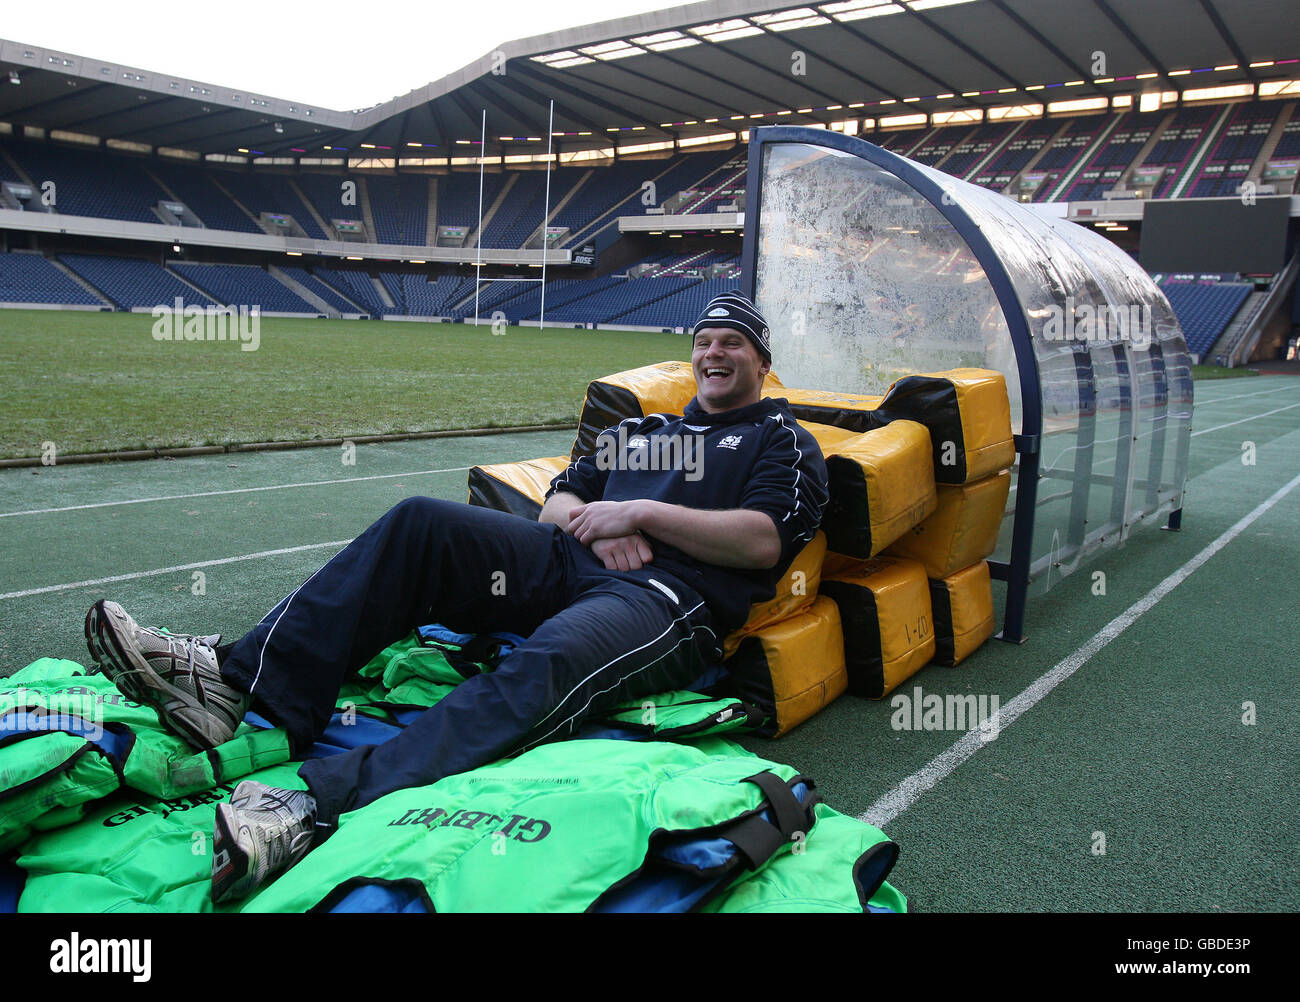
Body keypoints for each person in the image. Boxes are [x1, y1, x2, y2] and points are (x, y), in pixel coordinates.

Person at [84, 291, 829, 903]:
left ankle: (317, 802)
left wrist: (641, 515)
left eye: (732, 342)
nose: (714, 353)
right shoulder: (642, 430)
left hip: (667, 599)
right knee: (421, 522)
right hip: (572, 562)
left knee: (552, 660)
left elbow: (763, 541)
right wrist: (600, 529)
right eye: (704, 341)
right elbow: (556, 508)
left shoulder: (782, 441)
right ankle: (240, 681)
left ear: (762, 362)